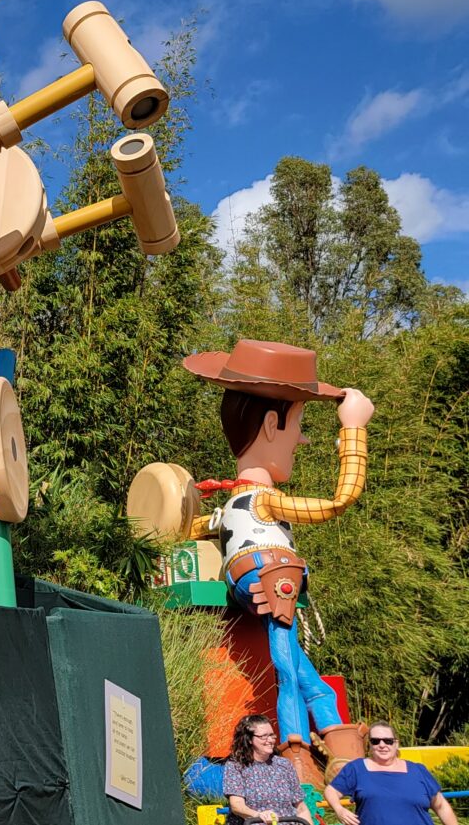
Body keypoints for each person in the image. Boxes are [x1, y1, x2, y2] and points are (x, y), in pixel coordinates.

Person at [184, 340, 372, 783]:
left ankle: (339, 742)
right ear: (272, 424)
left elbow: (190, 527)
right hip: (274, 579)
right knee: (287, 668)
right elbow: (339, 501)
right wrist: (353, 428)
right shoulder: (265, 499)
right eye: (299, 426)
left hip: (253, 584)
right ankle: (296, 758)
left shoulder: (231, 503)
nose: (303, 439)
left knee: (303, 671)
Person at [323, 722, 460, 825]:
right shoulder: (357, 769)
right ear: (369, 745)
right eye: (375, 741)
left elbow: (440, 805)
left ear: (396, 744)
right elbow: (331, 791)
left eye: (388, 741)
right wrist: (339, 809)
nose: (382, 745)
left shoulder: (417, 770)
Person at [224, 713, 314, 825]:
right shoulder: (236, 766)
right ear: (249, 739)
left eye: (272, 735)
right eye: (263, 736)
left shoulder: (284, 765)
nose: (270, 740)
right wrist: (258, 815)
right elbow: (237, 805)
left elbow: (301, 808)